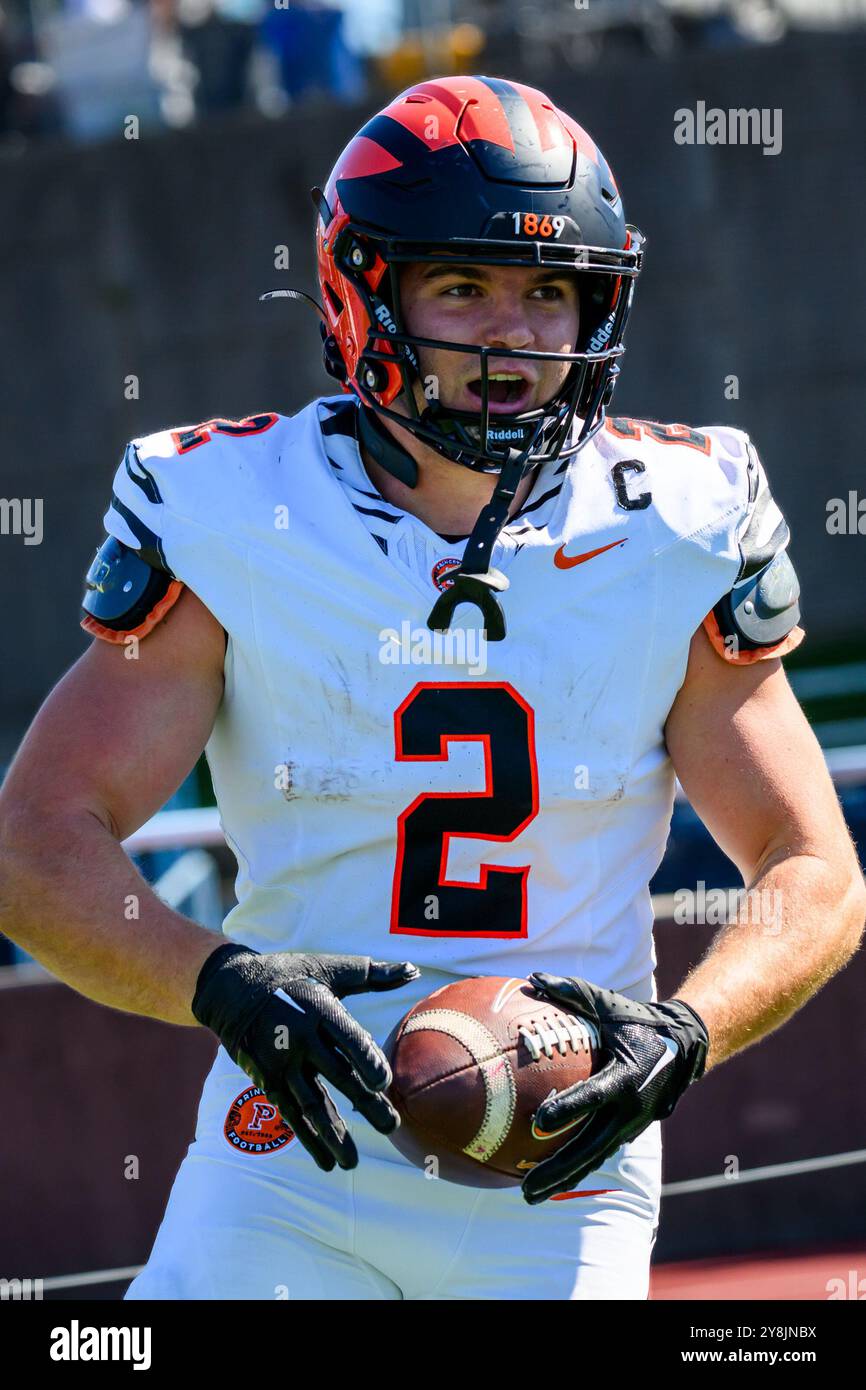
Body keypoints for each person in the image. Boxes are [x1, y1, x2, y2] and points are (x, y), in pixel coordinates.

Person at [0, 74, 863, 1301]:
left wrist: (685, 1029)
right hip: (287, 1149)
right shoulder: (240, 510)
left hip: (563, 1151)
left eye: (548, 290)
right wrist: (216, 981)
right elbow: (35, 840)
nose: (510, 333)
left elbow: (810, 864)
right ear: (366, 291)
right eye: (462, 286)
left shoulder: (675, 521)